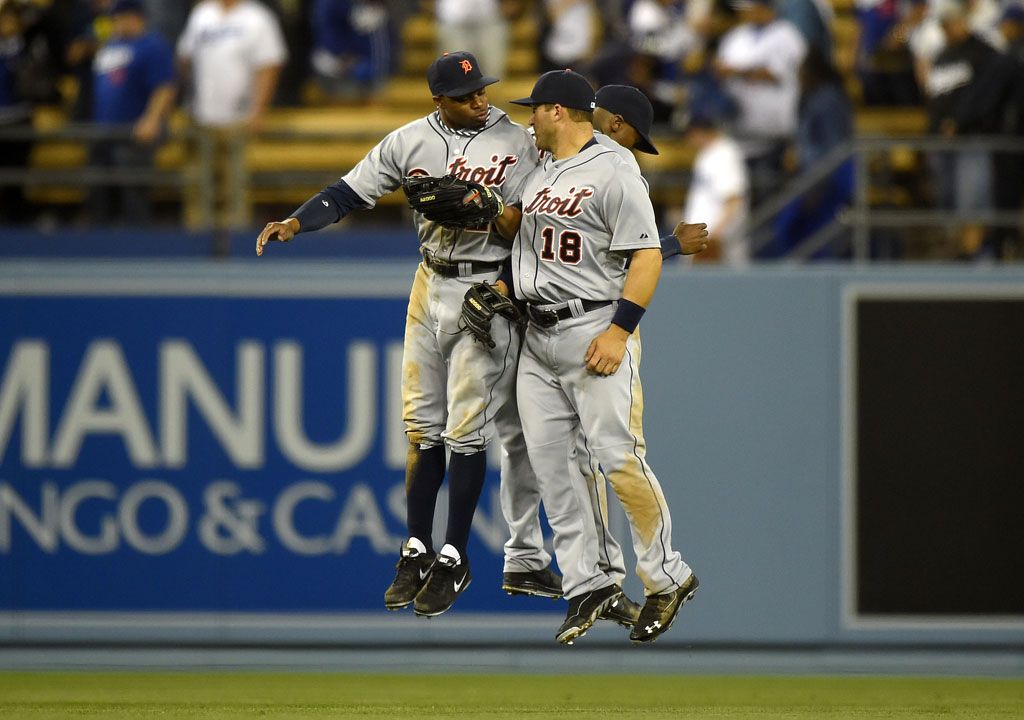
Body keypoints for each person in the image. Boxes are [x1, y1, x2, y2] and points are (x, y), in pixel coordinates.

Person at [256, 51, 540, 618]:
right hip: (429, 280)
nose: (479, 100)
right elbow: (346, 193)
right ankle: (416, 546)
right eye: (465, 96)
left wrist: (488, 216)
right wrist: (295, 221)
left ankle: (456, 554)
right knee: (420, 425)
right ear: (437, 99)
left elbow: (531, 225)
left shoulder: (520, 141)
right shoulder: (408, 141)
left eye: (482, 90)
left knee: (466, 429)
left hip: (487, 286)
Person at [505, 69, 699, 644]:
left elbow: (646, 257)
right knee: (555, 469)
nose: (529, 118)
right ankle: (590, 584)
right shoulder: (539, 169)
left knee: (617, 458)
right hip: (535, 336)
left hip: (594, 325)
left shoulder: (616, 169)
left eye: (536, 109)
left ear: (559, 111)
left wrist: (619, 332)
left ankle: (668, 575)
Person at [177, 0, 287, 229]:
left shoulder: (257, 17)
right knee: (198, 184)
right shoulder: (202, 14)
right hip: (201, 116)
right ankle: (196, 240)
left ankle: (237, 242)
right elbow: (185, 57)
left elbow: (269, 65)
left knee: (235, 185)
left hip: (239, 118)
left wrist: (258, 110)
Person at [88, 0, 175, 225]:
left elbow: (164, 86)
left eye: (123, 17)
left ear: (137, 17)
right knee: (99, 185)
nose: (119, 23)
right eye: (115, 19)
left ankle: (137, 238)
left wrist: (152, 119)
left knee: (132, 186)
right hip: (106, 128)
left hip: (134, 129)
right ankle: (101, 236)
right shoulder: (109, 45)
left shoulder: (152, 46)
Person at [714, 0, 806, 206]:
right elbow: (719, 68)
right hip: (738, 134)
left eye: (753, 8)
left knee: (769, 202)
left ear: (768, 8)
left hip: (774, 137)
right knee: (741, 203)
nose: (748, 12)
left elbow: (774, 73)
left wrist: (735, 71)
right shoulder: (736, 36)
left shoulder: (787, 35)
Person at [682, 105, 751, 265]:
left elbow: (733, 201)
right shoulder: (706, 154)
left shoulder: (725, 154)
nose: (687, 139)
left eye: (689, 134)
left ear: (699, 131)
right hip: (701, 244)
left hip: (720, 250)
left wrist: (713, 238)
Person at [310, 0, 393, 104]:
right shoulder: (329, 4)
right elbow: (327, 31)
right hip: (334, 66)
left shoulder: (373, 14)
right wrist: (342, 54)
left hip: (365, 67)